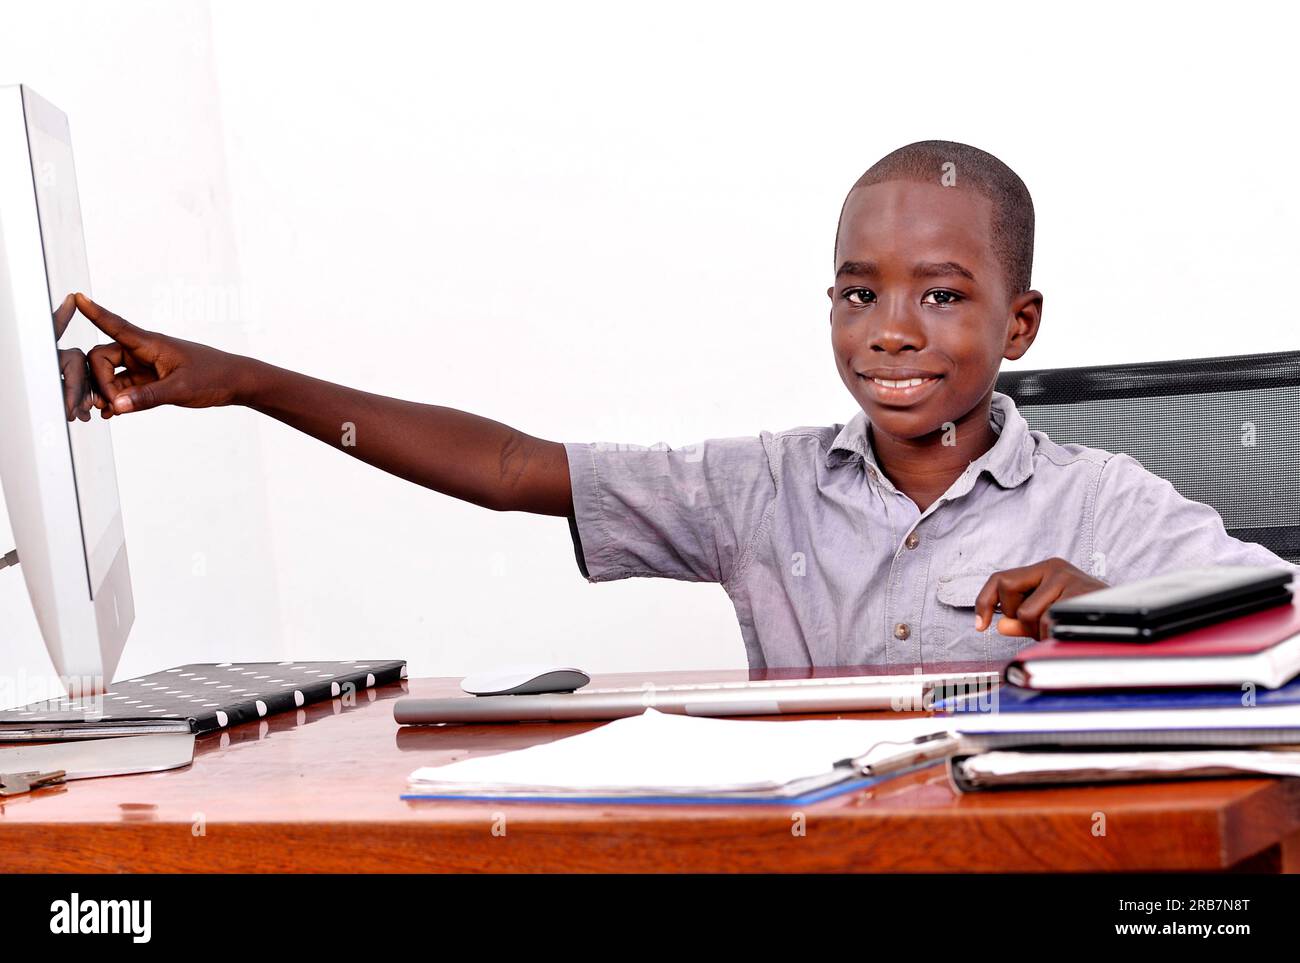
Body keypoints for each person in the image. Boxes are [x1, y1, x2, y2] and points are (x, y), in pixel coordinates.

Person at [73, 140, 1296, 670]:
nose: (890, 330)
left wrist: (1125, 612)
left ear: (1017, 326)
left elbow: (1279, 638)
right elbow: (509, 467)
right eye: (857, 292)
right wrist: (242, 383)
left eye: (941, 295)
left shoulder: (1108, 506)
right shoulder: (760, 490)